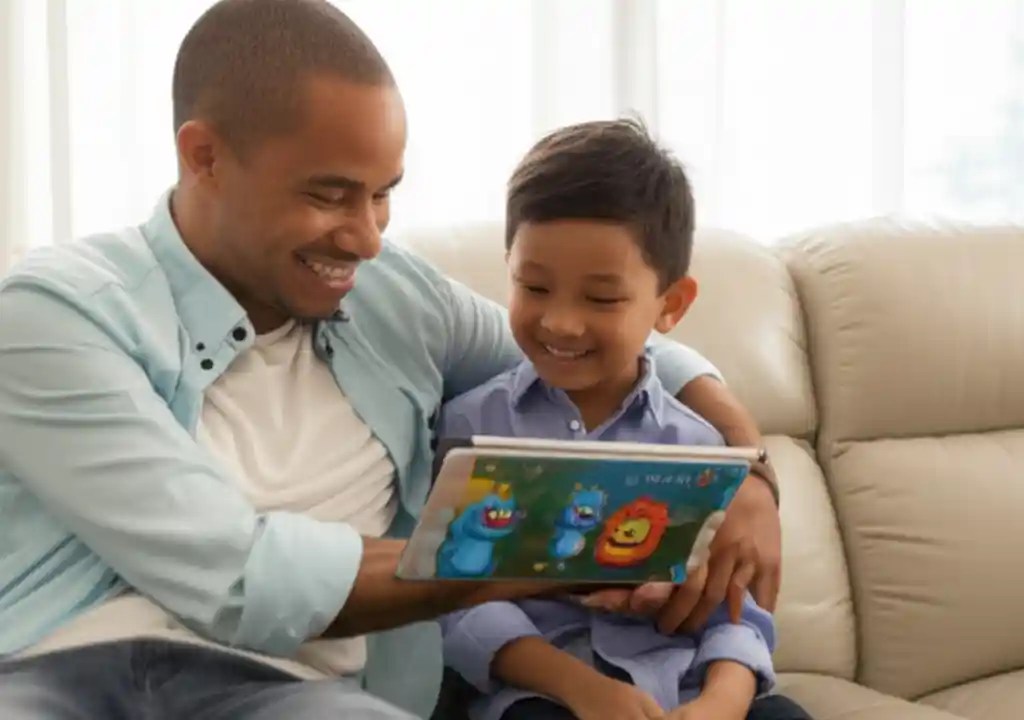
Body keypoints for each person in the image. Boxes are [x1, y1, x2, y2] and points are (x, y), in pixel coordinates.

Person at [0, 1, 783, 718]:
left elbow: (593, 349)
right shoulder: (56, 312)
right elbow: (239, 576)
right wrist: (553, 558)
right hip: (60, 668)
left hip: (294, 692)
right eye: (331, 195)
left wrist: (750, 473)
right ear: (205, 156)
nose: (368, 238)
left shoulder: (393, 298)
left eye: (382, 195)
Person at [434, 120, 810, 720]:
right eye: (533, 286)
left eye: (601, 299)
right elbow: (452, 602)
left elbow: (737, 614)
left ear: (671, 305)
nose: (560, 322)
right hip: (540, 695)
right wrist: (583, 690)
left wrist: (722, 701)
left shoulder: (695, 446)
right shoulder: (473, 428)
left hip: (681, 684)